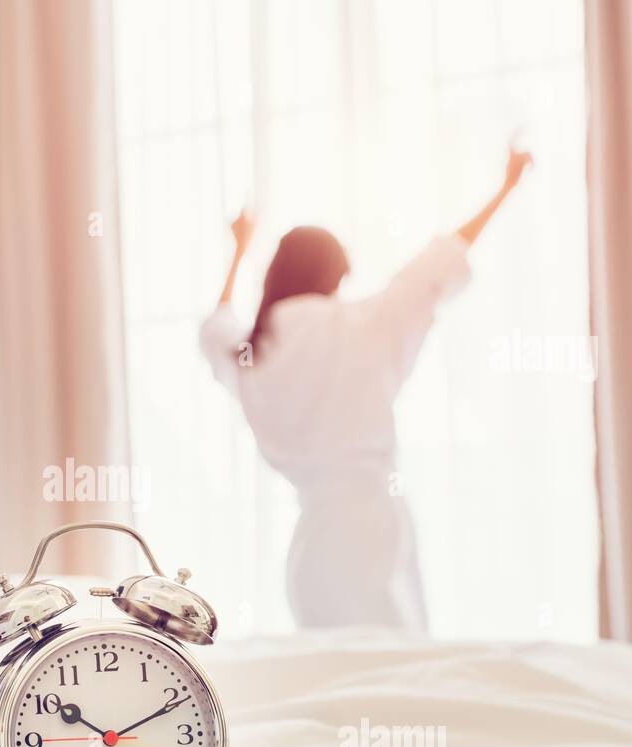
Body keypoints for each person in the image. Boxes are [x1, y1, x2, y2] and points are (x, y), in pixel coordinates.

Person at [200, 146, 533, 631]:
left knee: (343, 681)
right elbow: (440, 261)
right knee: (392, 678)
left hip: (309, 554)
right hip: (371, 531)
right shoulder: (363, 325)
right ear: (336, 276)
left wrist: (239, 249)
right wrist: (505, 187)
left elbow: (214, 326)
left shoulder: (254, 351)